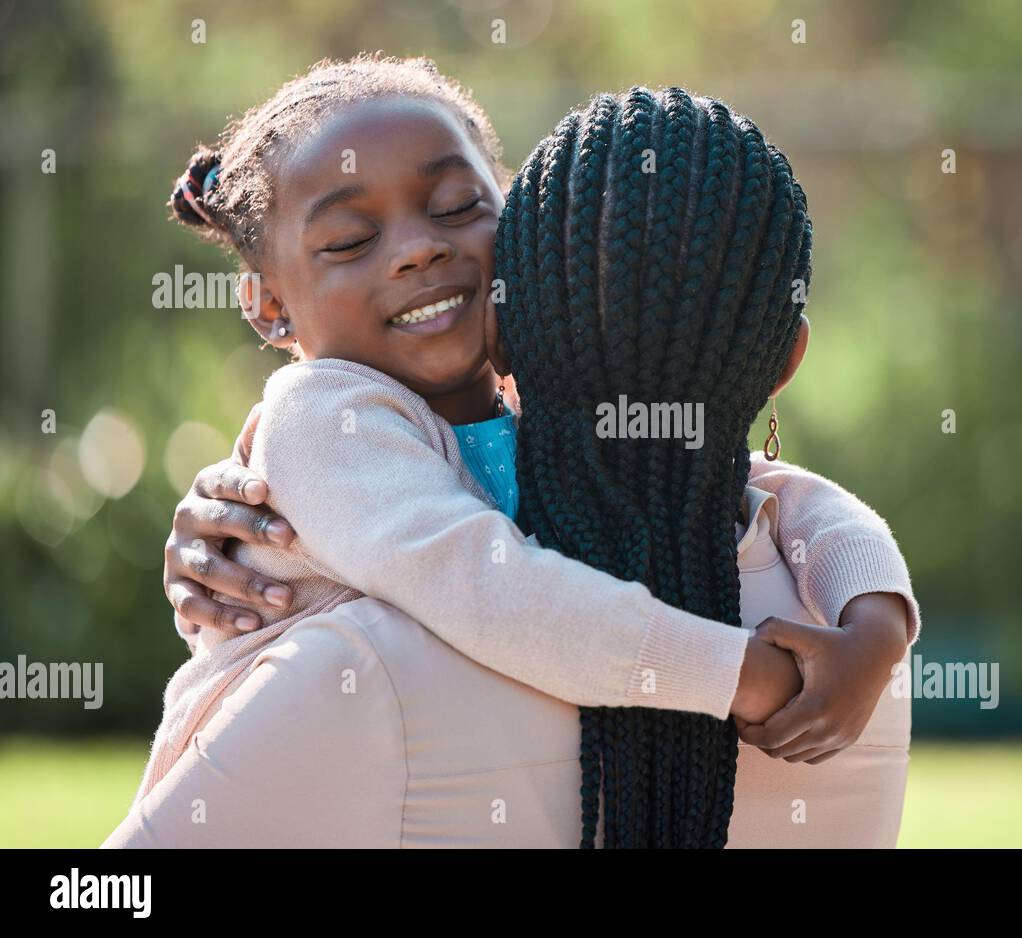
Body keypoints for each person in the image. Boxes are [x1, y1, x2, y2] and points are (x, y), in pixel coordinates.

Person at [107, 57, 918, 848]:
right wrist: (745, 675)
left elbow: (776, 491)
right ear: (269, 308)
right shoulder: (323, 422)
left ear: (520, 220)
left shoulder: (533, 410)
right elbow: (490, 590)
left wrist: (876, 627)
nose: (418, 249)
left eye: (459, 207)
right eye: (352, 240)